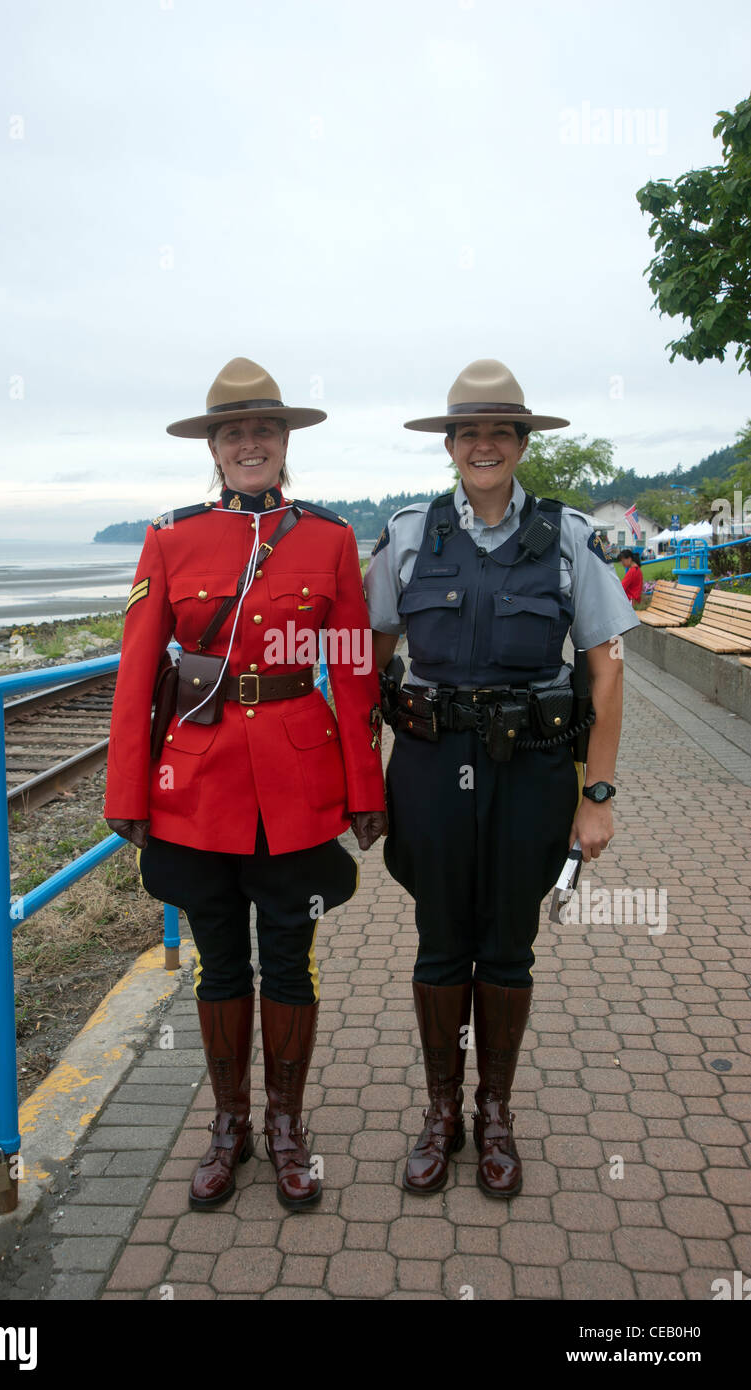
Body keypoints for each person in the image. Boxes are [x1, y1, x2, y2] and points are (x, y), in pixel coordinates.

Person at [104, 357, 387, 1210]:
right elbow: (135, 671)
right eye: (234, 433)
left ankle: (287, 1126)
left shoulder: (329, 538)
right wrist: (127, 795)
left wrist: (362, 786)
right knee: (220, 964)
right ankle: (228, 1125)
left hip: (297, 783)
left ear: (284, 441)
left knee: (290, 963)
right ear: (216, 449)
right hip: (198, 784)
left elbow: (354, 667)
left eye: (263, 429)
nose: (250, 443)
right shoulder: (171, 537)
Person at [364, 358, 640, 1199]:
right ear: (448, 446)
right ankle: (439, 1112)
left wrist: (595, 796)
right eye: (468, 432)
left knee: (508, 949)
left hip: (531, 773)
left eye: (499, 432)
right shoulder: (408, 536)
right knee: (440, 940)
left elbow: (606, 670)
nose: (483, 445)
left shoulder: (564, 537)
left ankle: (496, 1114)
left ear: (521, 444)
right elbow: (368, 666)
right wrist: (360, 783)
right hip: (429, 764)